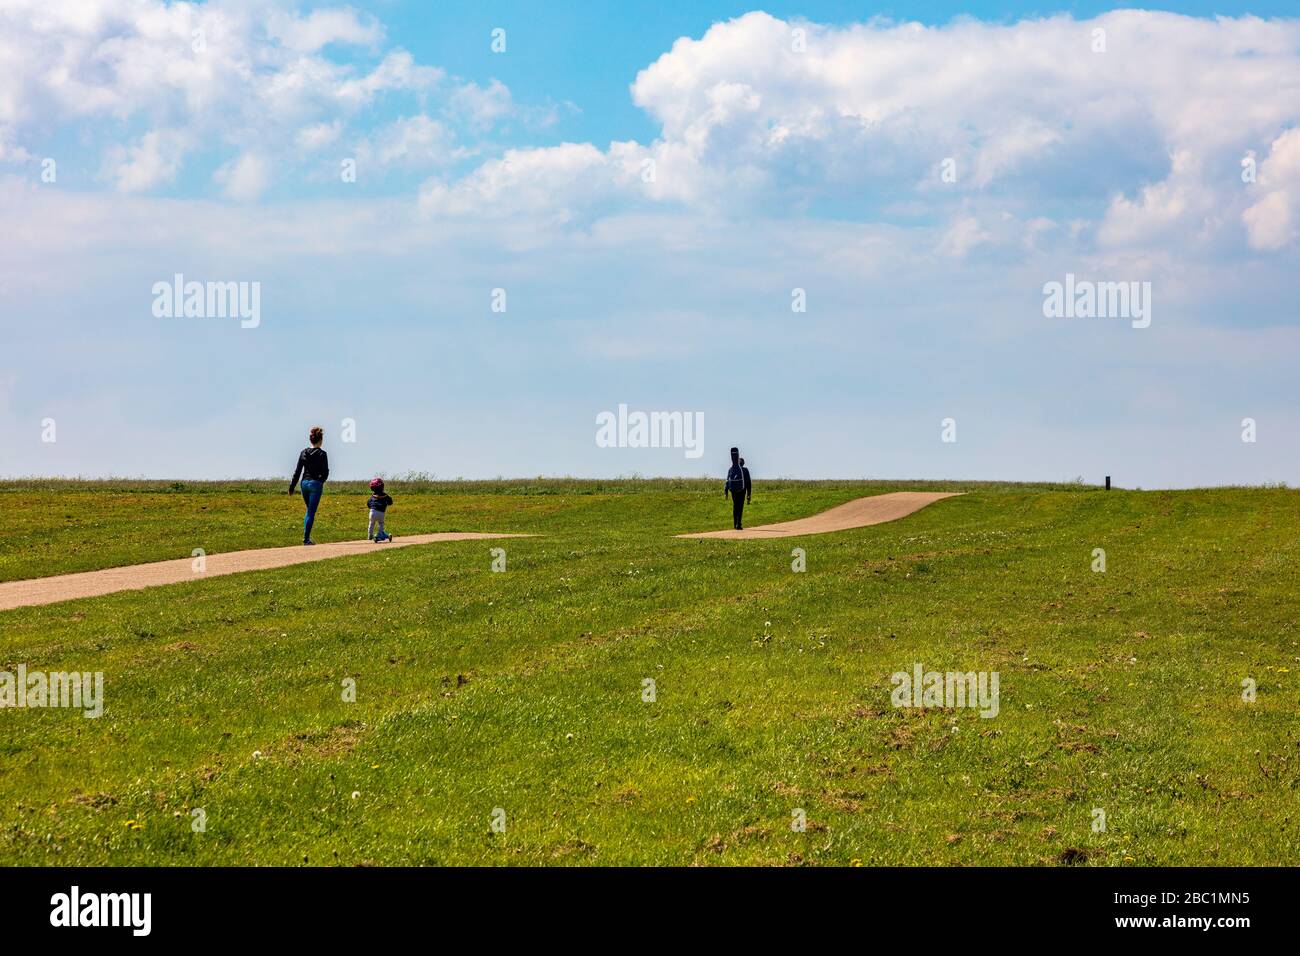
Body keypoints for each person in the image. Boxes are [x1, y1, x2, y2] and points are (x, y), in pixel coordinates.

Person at [288, 426, 330, 545]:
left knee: (309, 511)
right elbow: (325, 472)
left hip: (304, 484)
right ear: (320, 440)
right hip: (315, 484)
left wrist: (291, 487)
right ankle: (306, 539)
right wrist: (321, 481)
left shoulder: (303, 452)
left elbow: (297, 471)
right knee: (311, 512)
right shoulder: (322, 454)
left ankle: (307, 537)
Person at [724, 447, 752, 530]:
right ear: (743, 463)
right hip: (742, 490)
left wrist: (726, 491)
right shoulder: (745, 470)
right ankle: (738, 524)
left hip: (733, 490)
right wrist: (749, 494)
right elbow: (748, 483)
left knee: (735, 506)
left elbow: (727, 481)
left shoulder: (731, 469)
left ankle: (734, 524)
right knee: (740, 506)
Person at [367, 478, 394, 542]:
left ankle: (370, 535)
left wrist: (372, 507)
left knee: (371, 523)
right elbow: (390, 502)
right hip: (381, 513)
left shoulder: (372, 496)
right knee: (381, 523)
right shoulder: (385, 495)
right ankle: (379, 534)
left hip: (372, 512)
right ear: (382, 487)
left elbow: (368, 504)